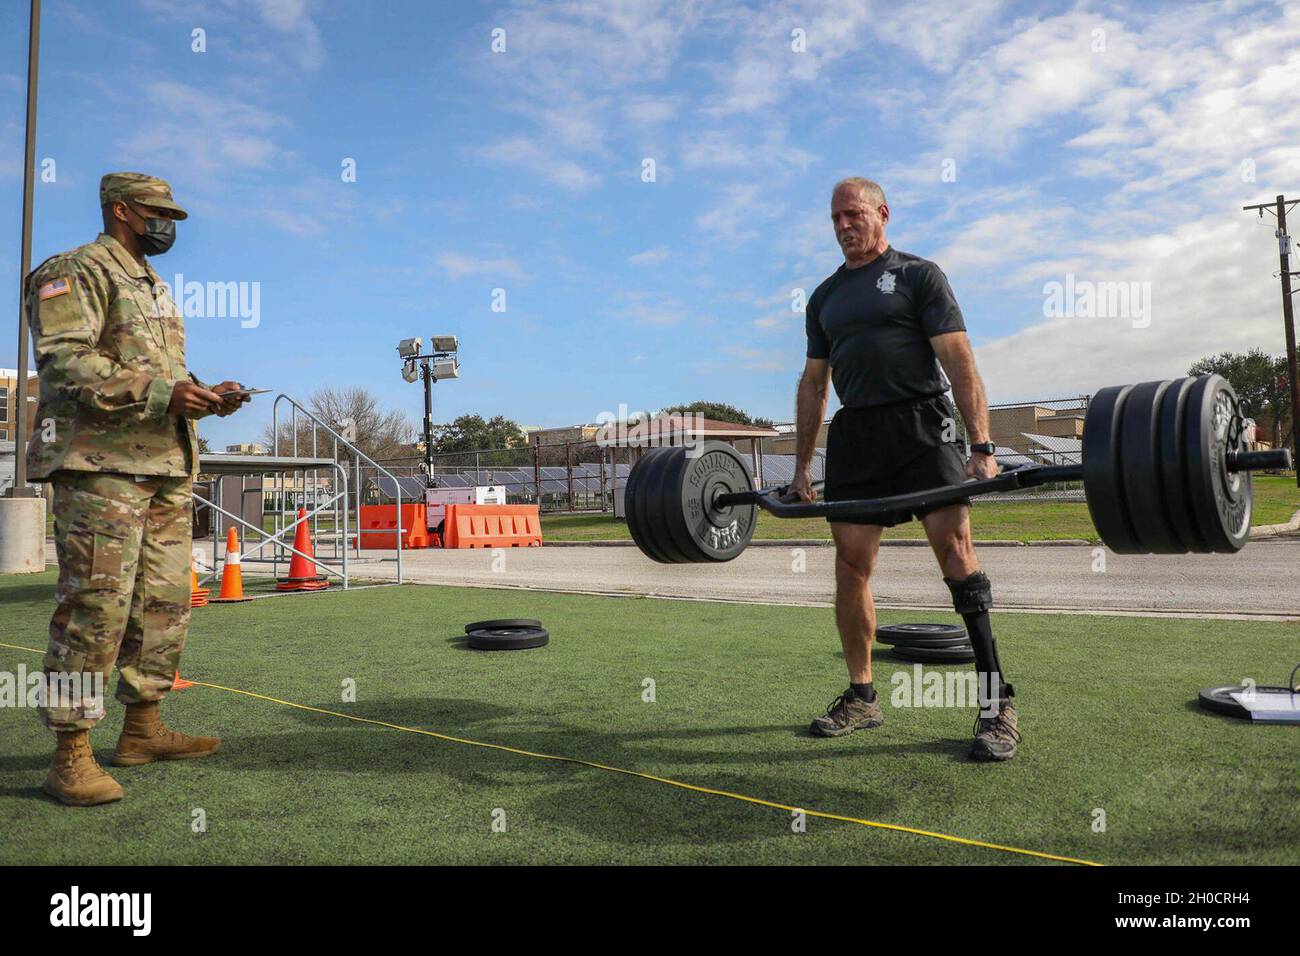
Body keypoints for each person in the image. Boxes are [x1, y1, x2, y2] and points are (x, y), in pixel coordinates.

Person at [25, 172, 250, 805]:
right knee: (96, 606)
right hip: (102, 469)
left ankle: (143, 730)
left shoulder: (153, 288)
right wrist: (162, 392)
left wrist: (203, 394)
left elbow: (156, 375)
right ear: (121, 210)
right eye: (158, 212)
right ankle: (71, 754)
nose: (168, 225)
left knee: (165, 604)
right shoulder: (70, 270)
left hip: (165, 467)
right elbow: (64, 362)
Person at [790, 177, 1020, 761]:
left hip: (925, 425)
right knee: (851, 563)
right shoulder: (823, 298)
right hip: (859, 433)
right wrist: (801, 468)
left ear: (881, 213)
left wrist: (982, 443)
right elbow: (815, 384)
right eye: (835, 218)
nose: (843, 226)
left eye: (853, 214)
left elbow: (959, 361)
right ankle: (862, 695)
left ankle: (997, 703)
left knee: (955, 551)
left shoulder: (920, 275)